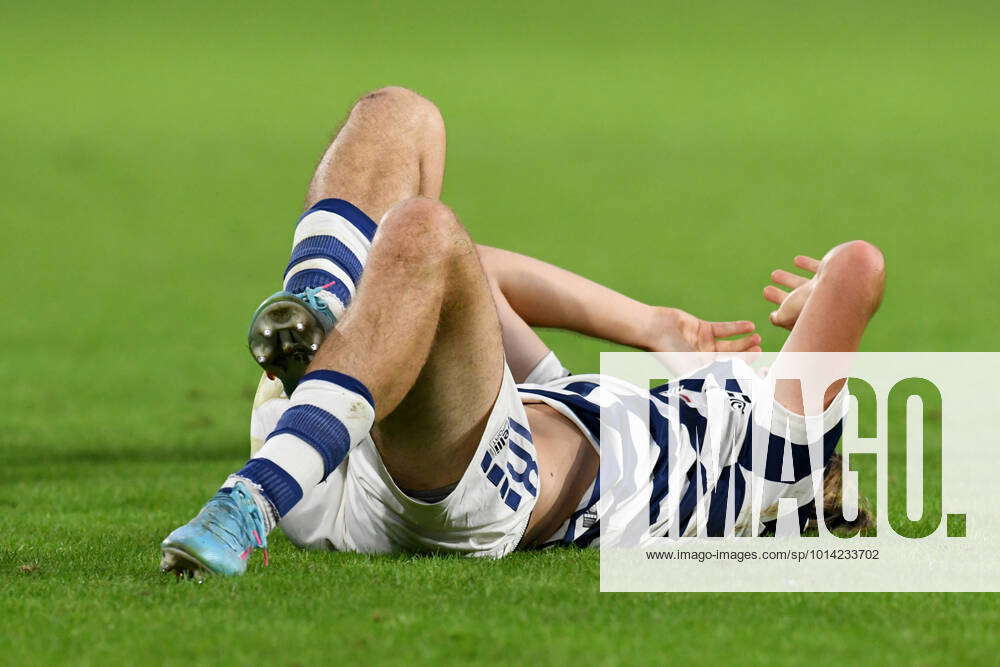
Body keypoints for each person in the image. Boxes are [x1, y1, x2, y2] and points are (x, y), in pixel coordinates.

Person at [159, 87, 884, 577]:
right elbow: (484, 278)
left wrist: (824, 292)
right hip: (393, 439)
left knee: (422, 232)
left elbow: (861, 267)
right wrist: (651, 324)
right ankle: (322, 307)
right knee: (401, 116)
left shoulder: (780, 461)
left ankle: (251, 498)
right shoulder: (594, 410)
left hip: (479, 494)